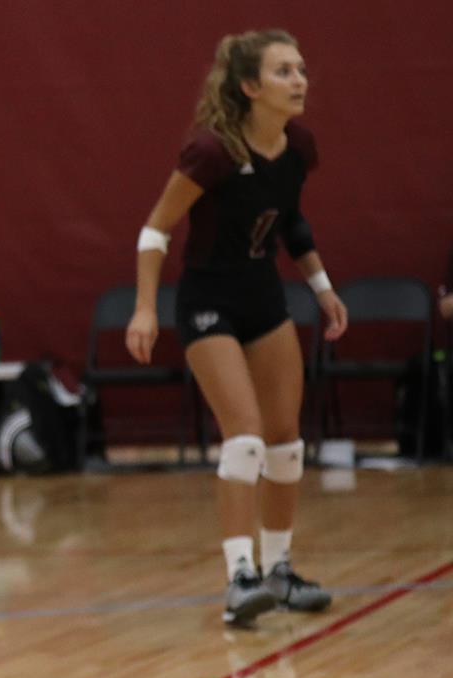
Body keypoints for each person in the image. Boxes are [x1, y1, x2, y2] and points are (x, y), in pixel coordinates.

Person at [127, 30, 348, 628]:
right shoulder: (212, 151)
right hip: (208, 302)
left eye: (301, 69)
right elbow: (155, 230)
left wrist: (322, 288)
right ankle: (239, 578)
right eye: (283, 71)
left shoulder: (298, 146)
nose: (299, 81)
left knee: (285, 444)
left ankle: (279, 570)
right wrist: (145, 308)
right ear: (250, 86)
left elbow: (292, 223)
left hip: (263, 297)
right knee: (244, 437)